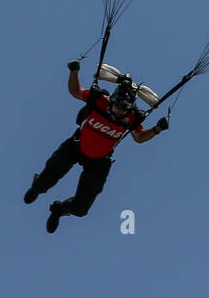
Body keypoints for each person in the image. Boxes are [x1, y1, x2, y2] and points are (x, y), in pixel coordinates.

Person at [24, 59, 169, 232]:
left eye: (124, 108)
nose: (119, 111)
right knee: (45, 181)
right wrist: (74, 71)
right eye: (117, 105)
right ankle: (37, 187)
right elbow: (75, 91)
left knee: (80, 209)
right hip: (76, 147)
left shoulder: (132, 118)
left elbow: (139, 137)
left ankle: (59, 210)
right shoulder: (100, 100)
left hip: (99, 162)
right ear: (112, 100)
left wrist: (157, 129)